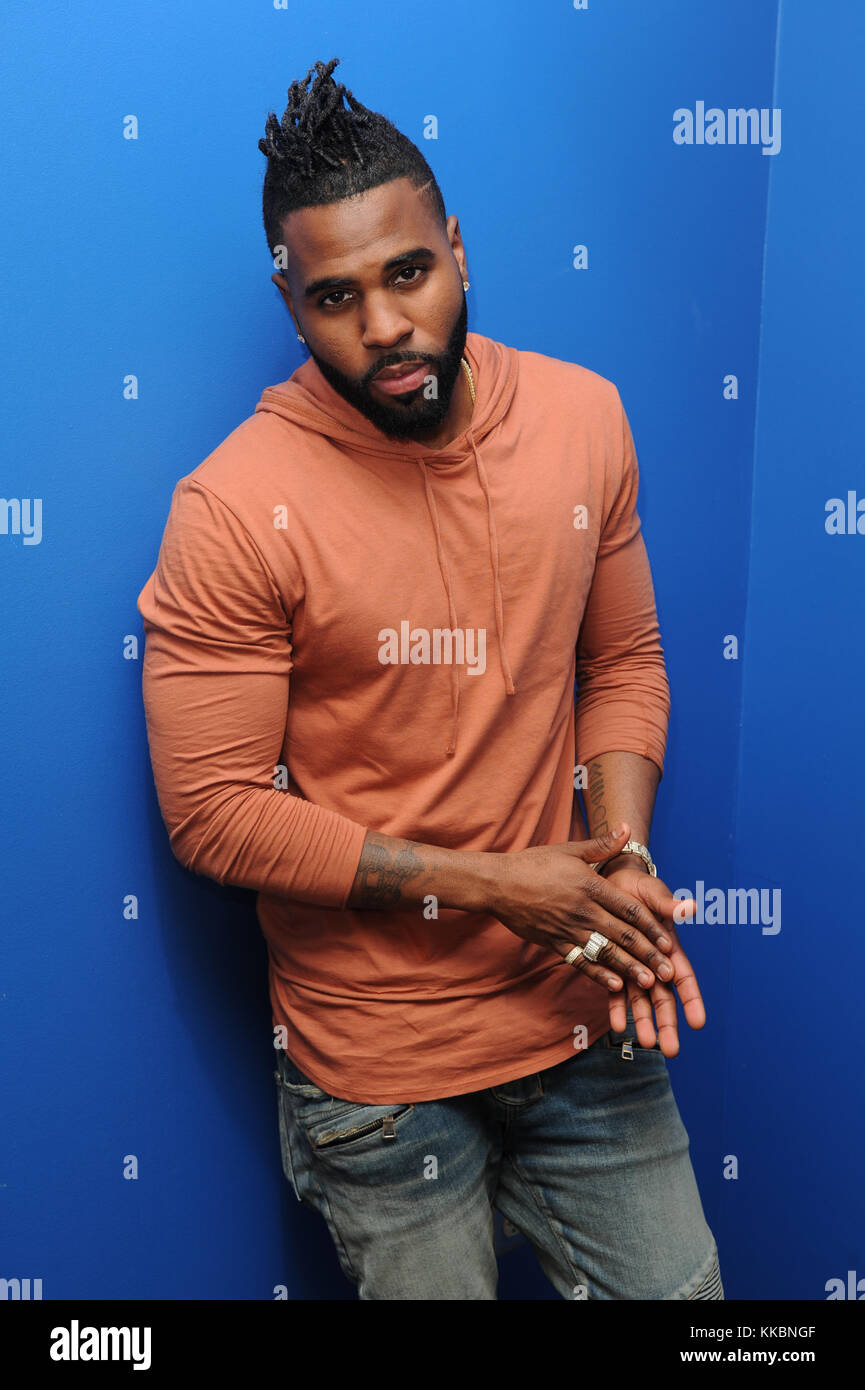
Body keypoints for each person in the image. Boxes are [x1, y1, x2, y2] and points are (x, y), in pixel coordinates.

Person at [136, 56, 723, 1301]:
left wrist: (616, 865)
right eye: (336, 297)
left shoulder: (583, 421)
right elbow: (213, 810)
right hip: (380, 1073)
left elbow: (620, 662)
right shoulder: (235, 506)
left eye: (409, 274)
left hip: (579, 1018)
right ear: (290, 303)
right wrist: (492, 885)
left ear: (454, 247)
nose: (386, 326)